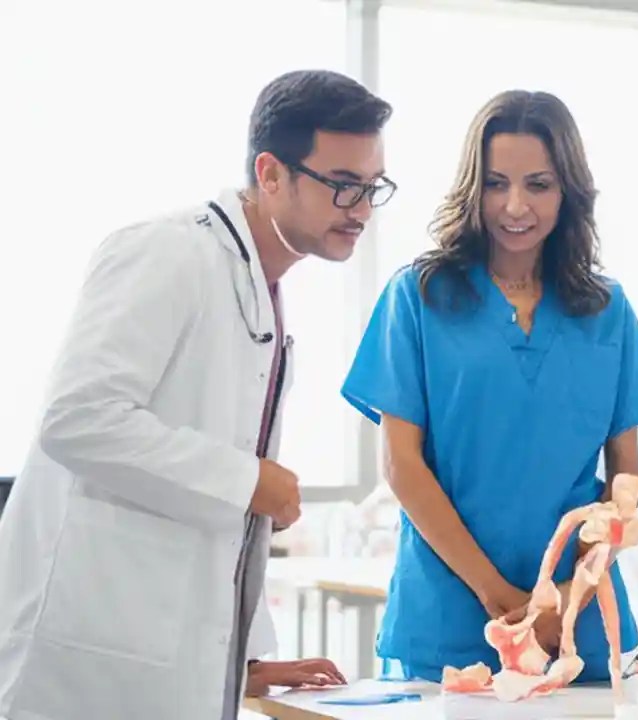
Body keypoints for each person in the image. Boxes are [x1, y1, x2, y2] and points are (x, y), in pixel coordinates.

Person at [0, 69, 394, 720]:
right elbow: (76, 419)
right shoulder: (168, 252)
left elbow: (205, 519)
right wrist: (247, 482)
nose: (360, 209)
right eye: (343, 185)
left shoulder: (260, 291)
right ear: (270, 174)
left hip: (164, 665)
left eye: (373, 187)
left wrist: (244, 660)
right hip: (80, 670)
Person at [340, 89, 638, 685]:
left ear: (567, 190)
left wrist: (568, 594)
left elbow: (626, 477)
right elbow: (401, 466)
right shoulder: (419, 297)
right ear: (474, 187)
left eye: (538, 185)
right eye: (496, 184)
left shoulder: (607, 310)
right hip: (447, 618)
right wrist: (497, 595)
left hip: (580, 627)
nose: (515, 206)